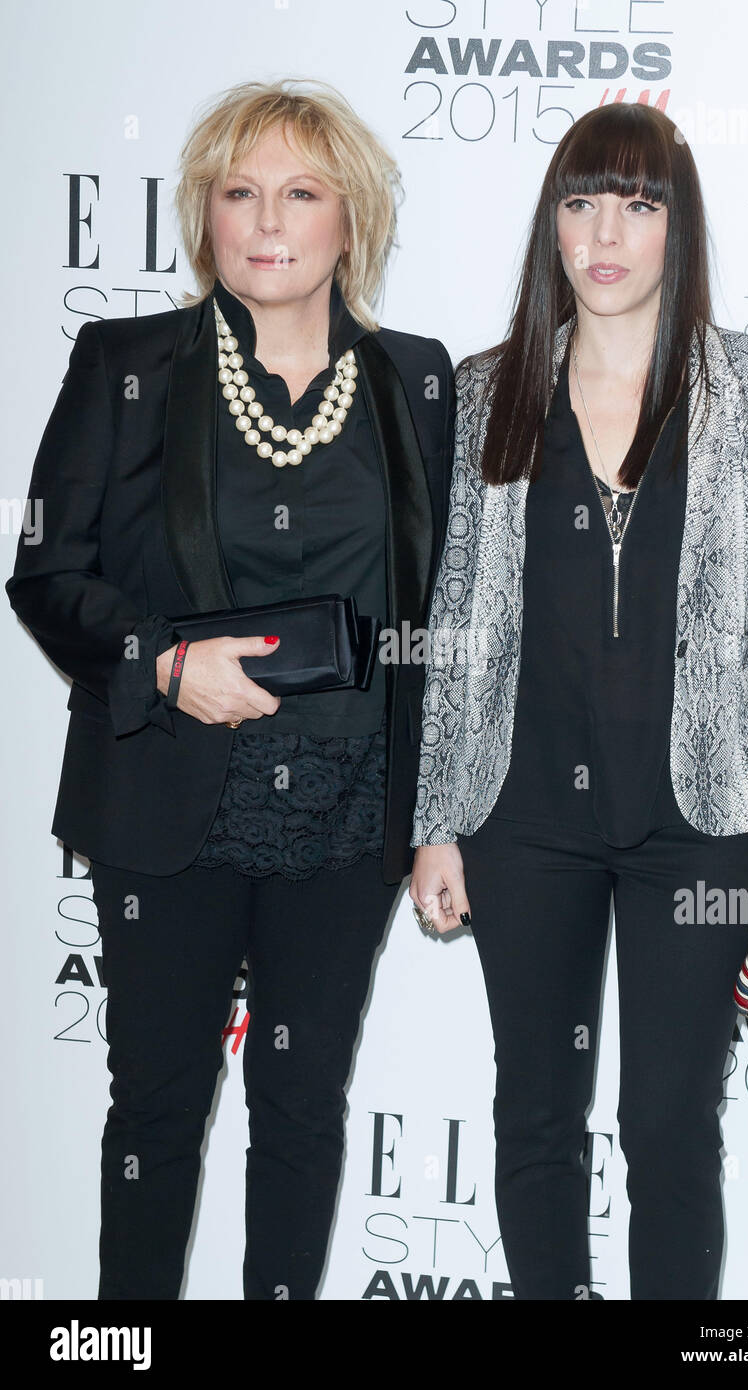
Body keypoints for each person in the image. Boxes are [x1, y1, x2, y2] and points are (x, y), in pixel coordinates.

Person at [6, 78, 455, 1300]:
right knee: (153, 1111)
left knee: (303, 1111)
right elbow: (47, 571)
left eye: (300, 192)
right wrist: (161, 661)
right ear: (205, 215)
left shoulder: (418, 382)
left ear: (348, 219)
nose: (267, 219)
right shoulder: (127, 362)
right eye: (239, 192)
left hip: (349, 812)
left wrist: (442, 813)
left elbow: (450, 614)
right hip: (171, 805)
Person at [408, 102, 748, 1301]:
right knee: (534, 1116)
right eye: (581, 201)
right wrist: (437, 816)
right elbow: (453, 622)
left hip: (699, 820)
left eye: (638, 205)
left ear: (677, 226)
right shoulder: (489, 387)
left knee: (666, 1129)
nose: (605, 232)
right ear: (551, 219)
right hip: (522, 814)